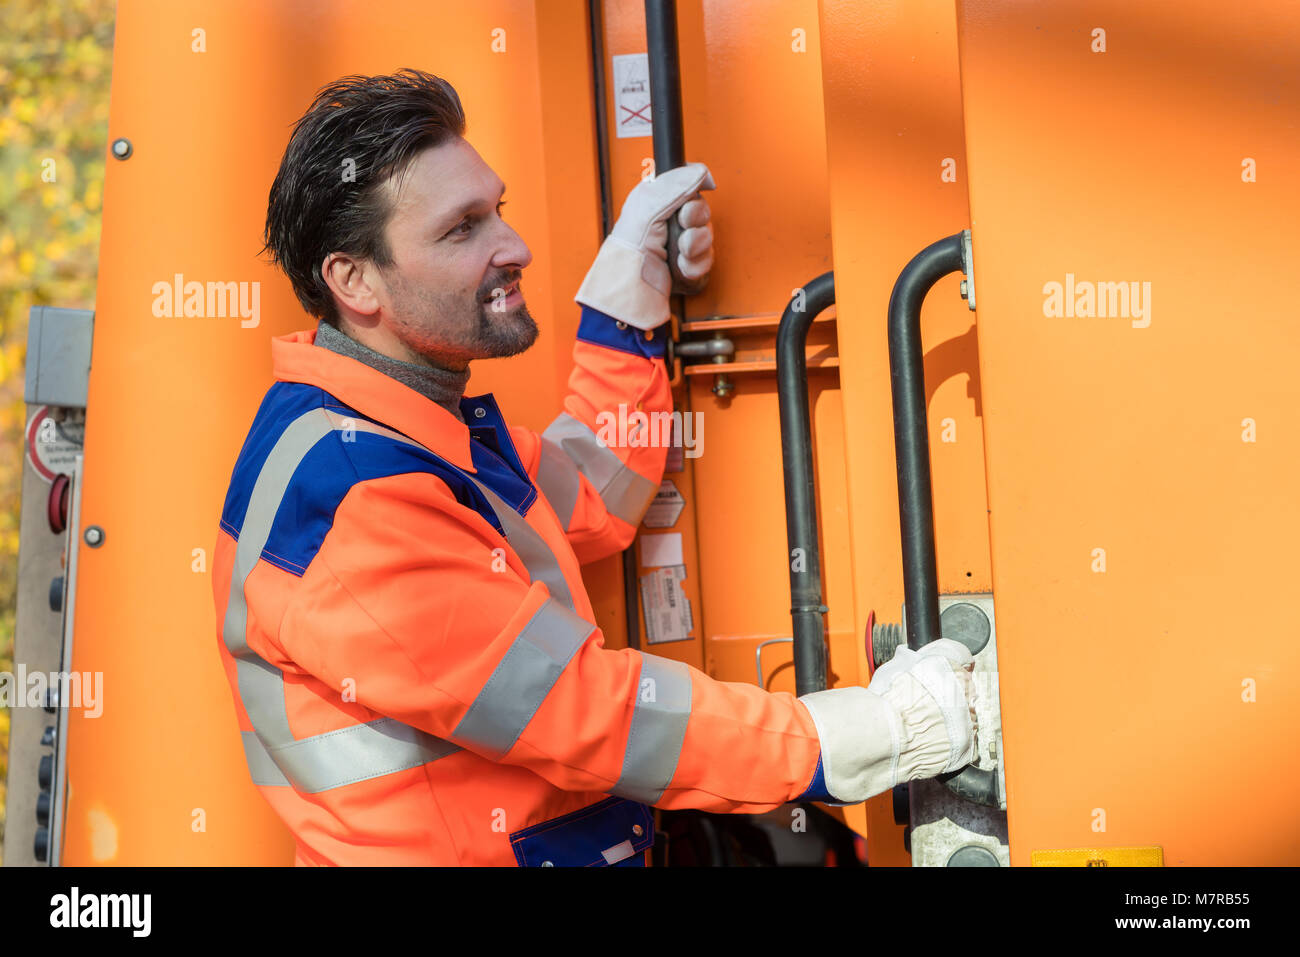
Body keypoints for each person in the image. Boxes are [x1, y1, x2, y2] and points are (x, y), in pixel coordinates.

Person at [212, 68, 978, 866]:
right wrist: (859, 736)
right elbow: (587, 710)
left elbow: (584, 493)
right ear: (354, 279)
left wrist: (627, 302)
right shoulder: (353, 497)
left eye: (497, 210)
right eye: (462, 229)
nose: (516, 247)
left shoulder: (397, 431)